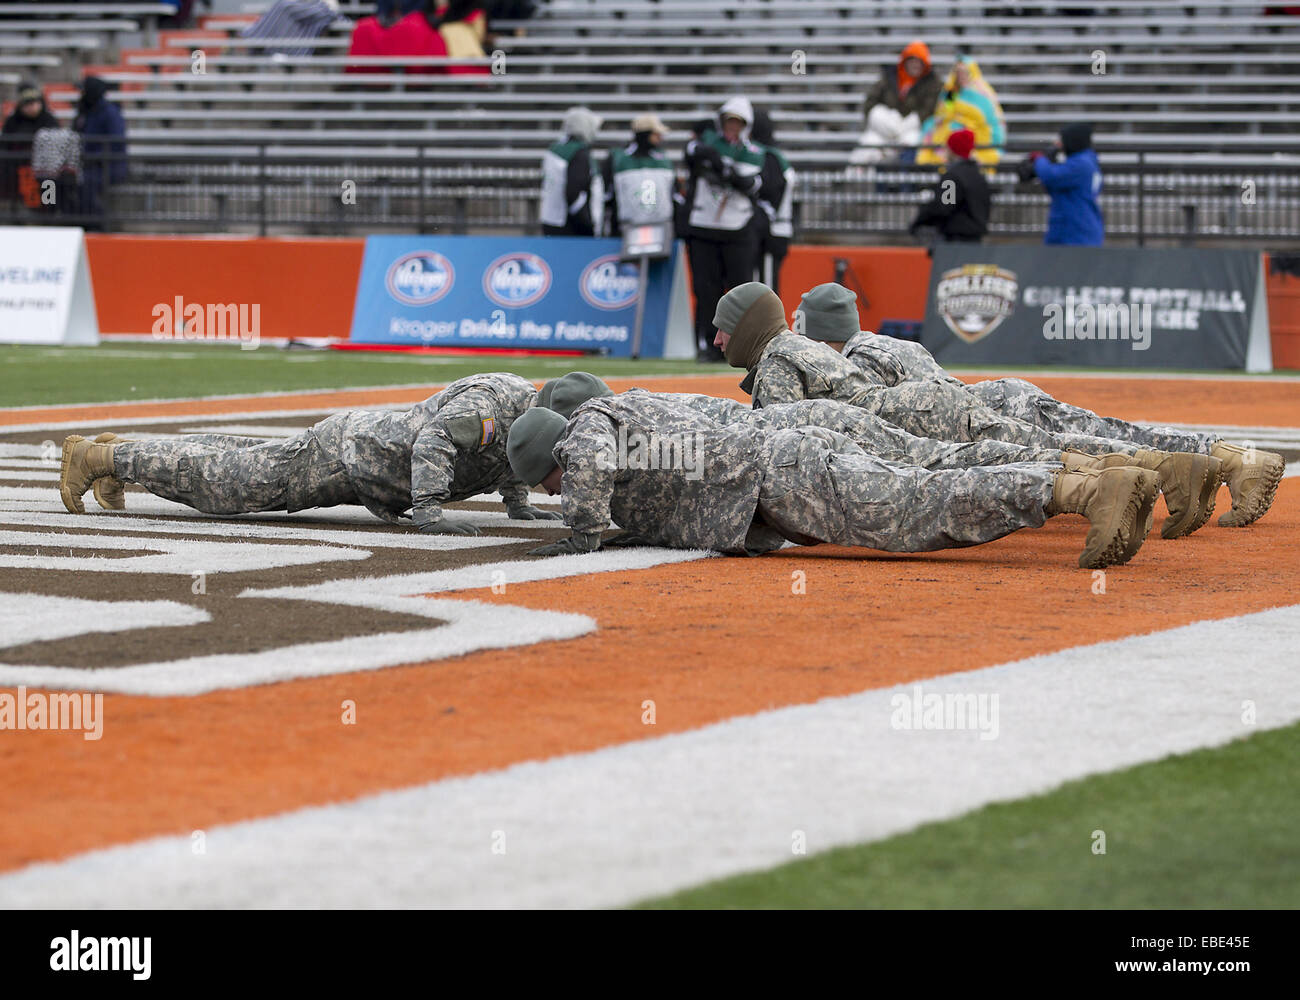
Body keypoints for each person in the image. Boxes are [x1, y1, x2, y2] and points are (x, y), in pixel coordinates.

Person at [716, 282, 1227, 539]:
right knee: (1055, 440)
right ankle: (1175, 463)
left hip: (911, 417)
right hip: (947, 399)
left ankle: (1140, 475)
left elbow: (778, 446)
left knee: (997, 462)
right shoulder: (858, 346)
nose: (717, 339)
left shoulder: (786, 357)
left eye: (723, 329)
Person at [507, 389, 1160, 570]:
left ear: (552, 455)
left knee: (913, 508)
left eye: (549, 484)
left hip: (784, 477)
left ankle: (1079, 491)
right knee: (926, 477)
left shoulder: (592, 425)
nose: (555, 496)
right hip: (785, 470)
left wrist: (583, 532)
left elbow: (588, 460)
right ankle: (1098, 475)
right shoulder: (633, 439)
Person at [58, 374, 561, 534]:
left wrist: (516, 500)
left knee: (239, 457)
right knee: (232, 485)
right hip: (352, 454)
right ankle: (96, 460)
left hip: (362, 454)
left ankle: (120, 454)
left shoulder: (528, 412)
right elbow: (435, 441)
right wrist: (429, 513)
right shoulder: (494, 405)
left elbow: (508, 454)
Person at [684, 96, 764, 362]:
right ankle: (708, 344)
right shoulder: (707, 143)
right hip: (705, 227)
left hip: (737, 228)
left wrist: (725, 170)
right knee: (706, 290)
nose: (732, 126)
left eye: (738, 122)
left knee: (740, 291)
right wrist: (714, 159)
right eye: (729, 121)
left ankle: (741, 345)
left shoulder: (754, 152)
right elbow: (692, 153)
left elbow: (750, 184)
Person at [850, 40, 941, 166]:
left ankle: (903, 182)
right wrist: (888, 120)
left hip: (912, 129)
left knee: (912, 142)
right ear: (905, 61)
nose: (915, 65)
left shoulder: (932, 83)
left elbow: (929, 108)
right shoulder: (890, 77)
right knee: (869, 140)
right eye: (912, 60)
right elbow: (870, 103)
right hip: (886, 128)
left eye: (919, 62)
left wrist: (908, 122)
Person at [1018, 121, 1104, 246]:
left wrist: (1040, 159)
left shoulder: (1081, 164)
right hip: (1068, 228)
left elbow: (1051, 176)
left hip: (1076, 232)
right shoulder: (1085, 161)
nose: (1060, 146)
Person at [916, 58, 1005, 166]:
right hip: (952, 129)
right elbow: (943, 112)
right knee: (933, 130)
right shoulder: (952, 92)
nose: (961, 75)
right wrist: (951, 116)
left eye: (964, 72)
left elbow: (987, 117)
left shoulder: (983, 93)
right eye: (958, 72)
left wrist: (965, 118)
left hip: (975, 130)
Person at [909, 128, 990, 244]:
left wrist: (921, 219)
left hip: (955, 241)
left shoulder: (952, 178)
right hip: (975, 239)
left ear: (953, 150)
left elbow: (943, 207)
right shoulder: (978, 176)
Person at [600, 114, 674, 237]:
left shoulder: (663, 159)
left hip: (660, 230)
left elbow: (673, 194)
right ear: (645, 134)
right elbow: (607, 195)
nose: (660, 137)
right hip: (626, 230)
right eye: (656, 134)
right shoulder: (618, 159)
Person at [749, 109, 795, 293]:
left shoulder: (768, 157)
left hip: (771, 232)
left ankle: (767, 323)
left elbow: (771, 194)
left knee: (765, 289)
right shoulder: (777, 156)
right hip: (777, 229)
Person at [540, 107, 604, 237]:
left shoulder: (555, 149)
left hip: (551, 219)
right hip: (570, 226)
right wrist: (587, 225)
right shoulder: (578, 153)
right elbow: (574, 193)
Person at [73, 77, 127, 225]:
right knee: (63, 181)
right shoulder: (84, 111)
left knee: (86, 184)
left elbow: (116, 143)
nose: (81, 94)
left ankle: (98, 224)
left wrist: (90, 156)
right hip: (87, 165)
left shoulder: (110, 113)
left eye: (83, 91)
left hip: (109, 166)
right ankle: (67, 222)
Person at [1, 82, 57, 206]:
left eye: (35, 103)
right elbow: (5, 144)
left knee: (50, 182)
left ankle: (49, 211)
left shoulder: (48, 120)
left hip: (44, 167)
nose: (32, 107)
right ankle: (14, 210)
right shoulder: (13, 121)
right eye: (28, 104)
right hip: (17, 167)